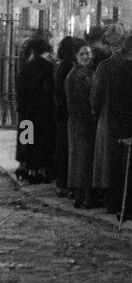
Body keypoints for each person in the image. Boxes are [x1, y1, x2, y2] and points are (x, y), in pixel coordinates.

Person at [91, 32, 132, 218]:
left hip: (125, 127)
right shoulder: (131, 70)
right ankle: (129, 208)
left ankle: (122, 205)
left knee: (123, 169)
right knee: (131, 171)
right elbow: (131, 103)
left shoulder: (127, 68)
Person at [15, 37, 56, 182]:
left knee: (26, 140)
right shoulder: (48, 67)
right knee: (41, 141)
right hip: (43, 112)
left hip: (26, 111)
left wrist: (20, 107)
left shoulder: (26, 67)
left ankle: (25, 167)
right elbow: (51, 90)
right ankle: (40, 171)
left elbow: (20, 90)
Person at [64, 43, 97, 208]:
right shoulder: (75, 76)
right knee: (81, 160)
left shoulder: (88, 73)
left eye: (88, 53)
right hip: (80, 122)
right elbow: (77, 102)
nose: (86, 57)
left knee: (84, 160)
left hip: (85, 122)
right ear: (76, 56)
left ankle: (84, 195)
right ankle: (82, 195)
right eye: (83, 54)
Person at [53, 36, 80, 195]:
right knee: (66, 149)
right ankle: (64, 183)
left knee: (63, 148)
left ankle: (61, 182)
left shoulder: (61, 67)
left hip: (61, 113)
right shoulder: (69, 68)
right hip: (67, 113)